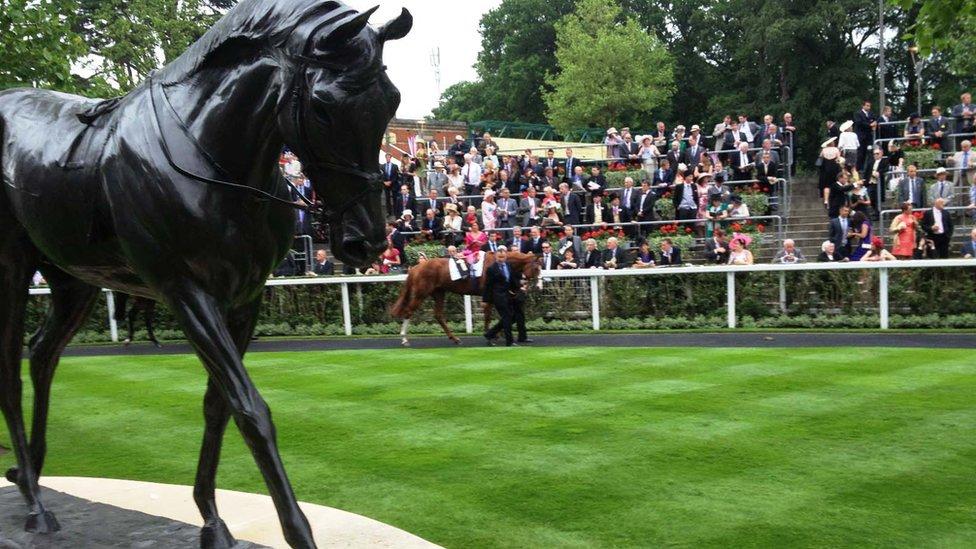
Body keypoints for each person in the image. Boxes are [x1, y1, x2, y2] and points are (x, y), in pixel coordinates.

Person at [482, 247, 519, 347]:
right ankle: (509, 341)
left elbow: (512, 280)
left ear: (506, 256)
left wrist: (519, 288)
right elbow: (487, 285)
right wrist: (485, 300)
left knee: (513, 317)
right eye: (499, 257)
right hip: (498, 297)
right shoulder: (491, 269)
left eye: (503, 257)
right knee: (507, 318)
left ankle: (490, 334)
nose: (501, 259)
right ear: (496, 256)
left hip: (508, 295)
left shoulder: (508, 265)